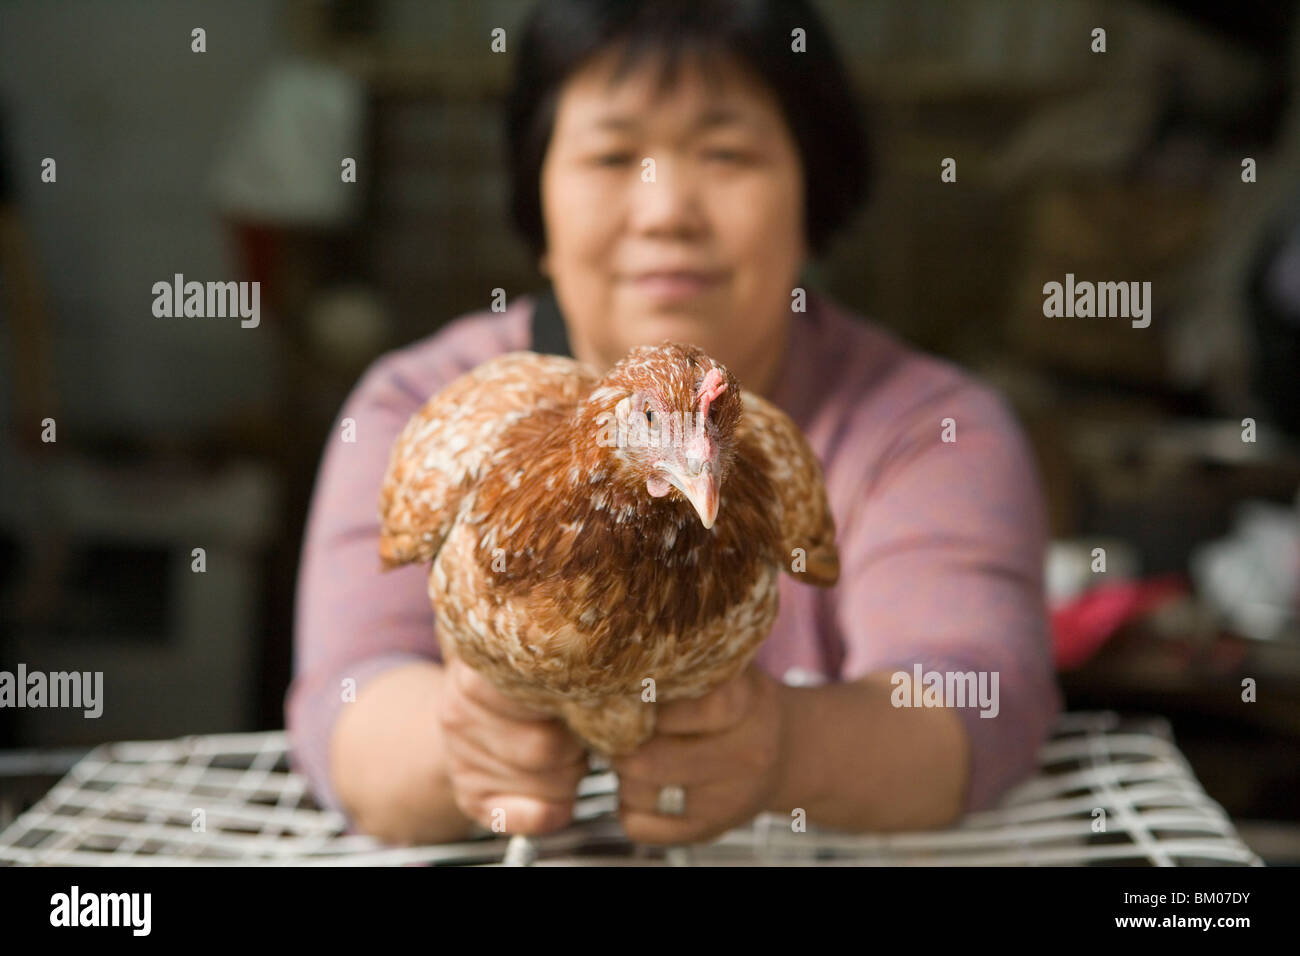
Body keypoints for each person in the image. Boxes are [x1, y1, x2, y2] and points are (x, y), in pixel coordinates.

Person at [287, 0, 1063, 847]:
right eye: (613, 154)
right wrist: (460, 741)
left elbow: (980, 697)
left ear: (813, 194)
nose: (665, 213)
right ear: (537, 200)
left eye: (726, 153)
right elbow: (346, 695)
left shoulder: (927, 429)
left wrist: (787, 750)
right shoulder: (427, 405)